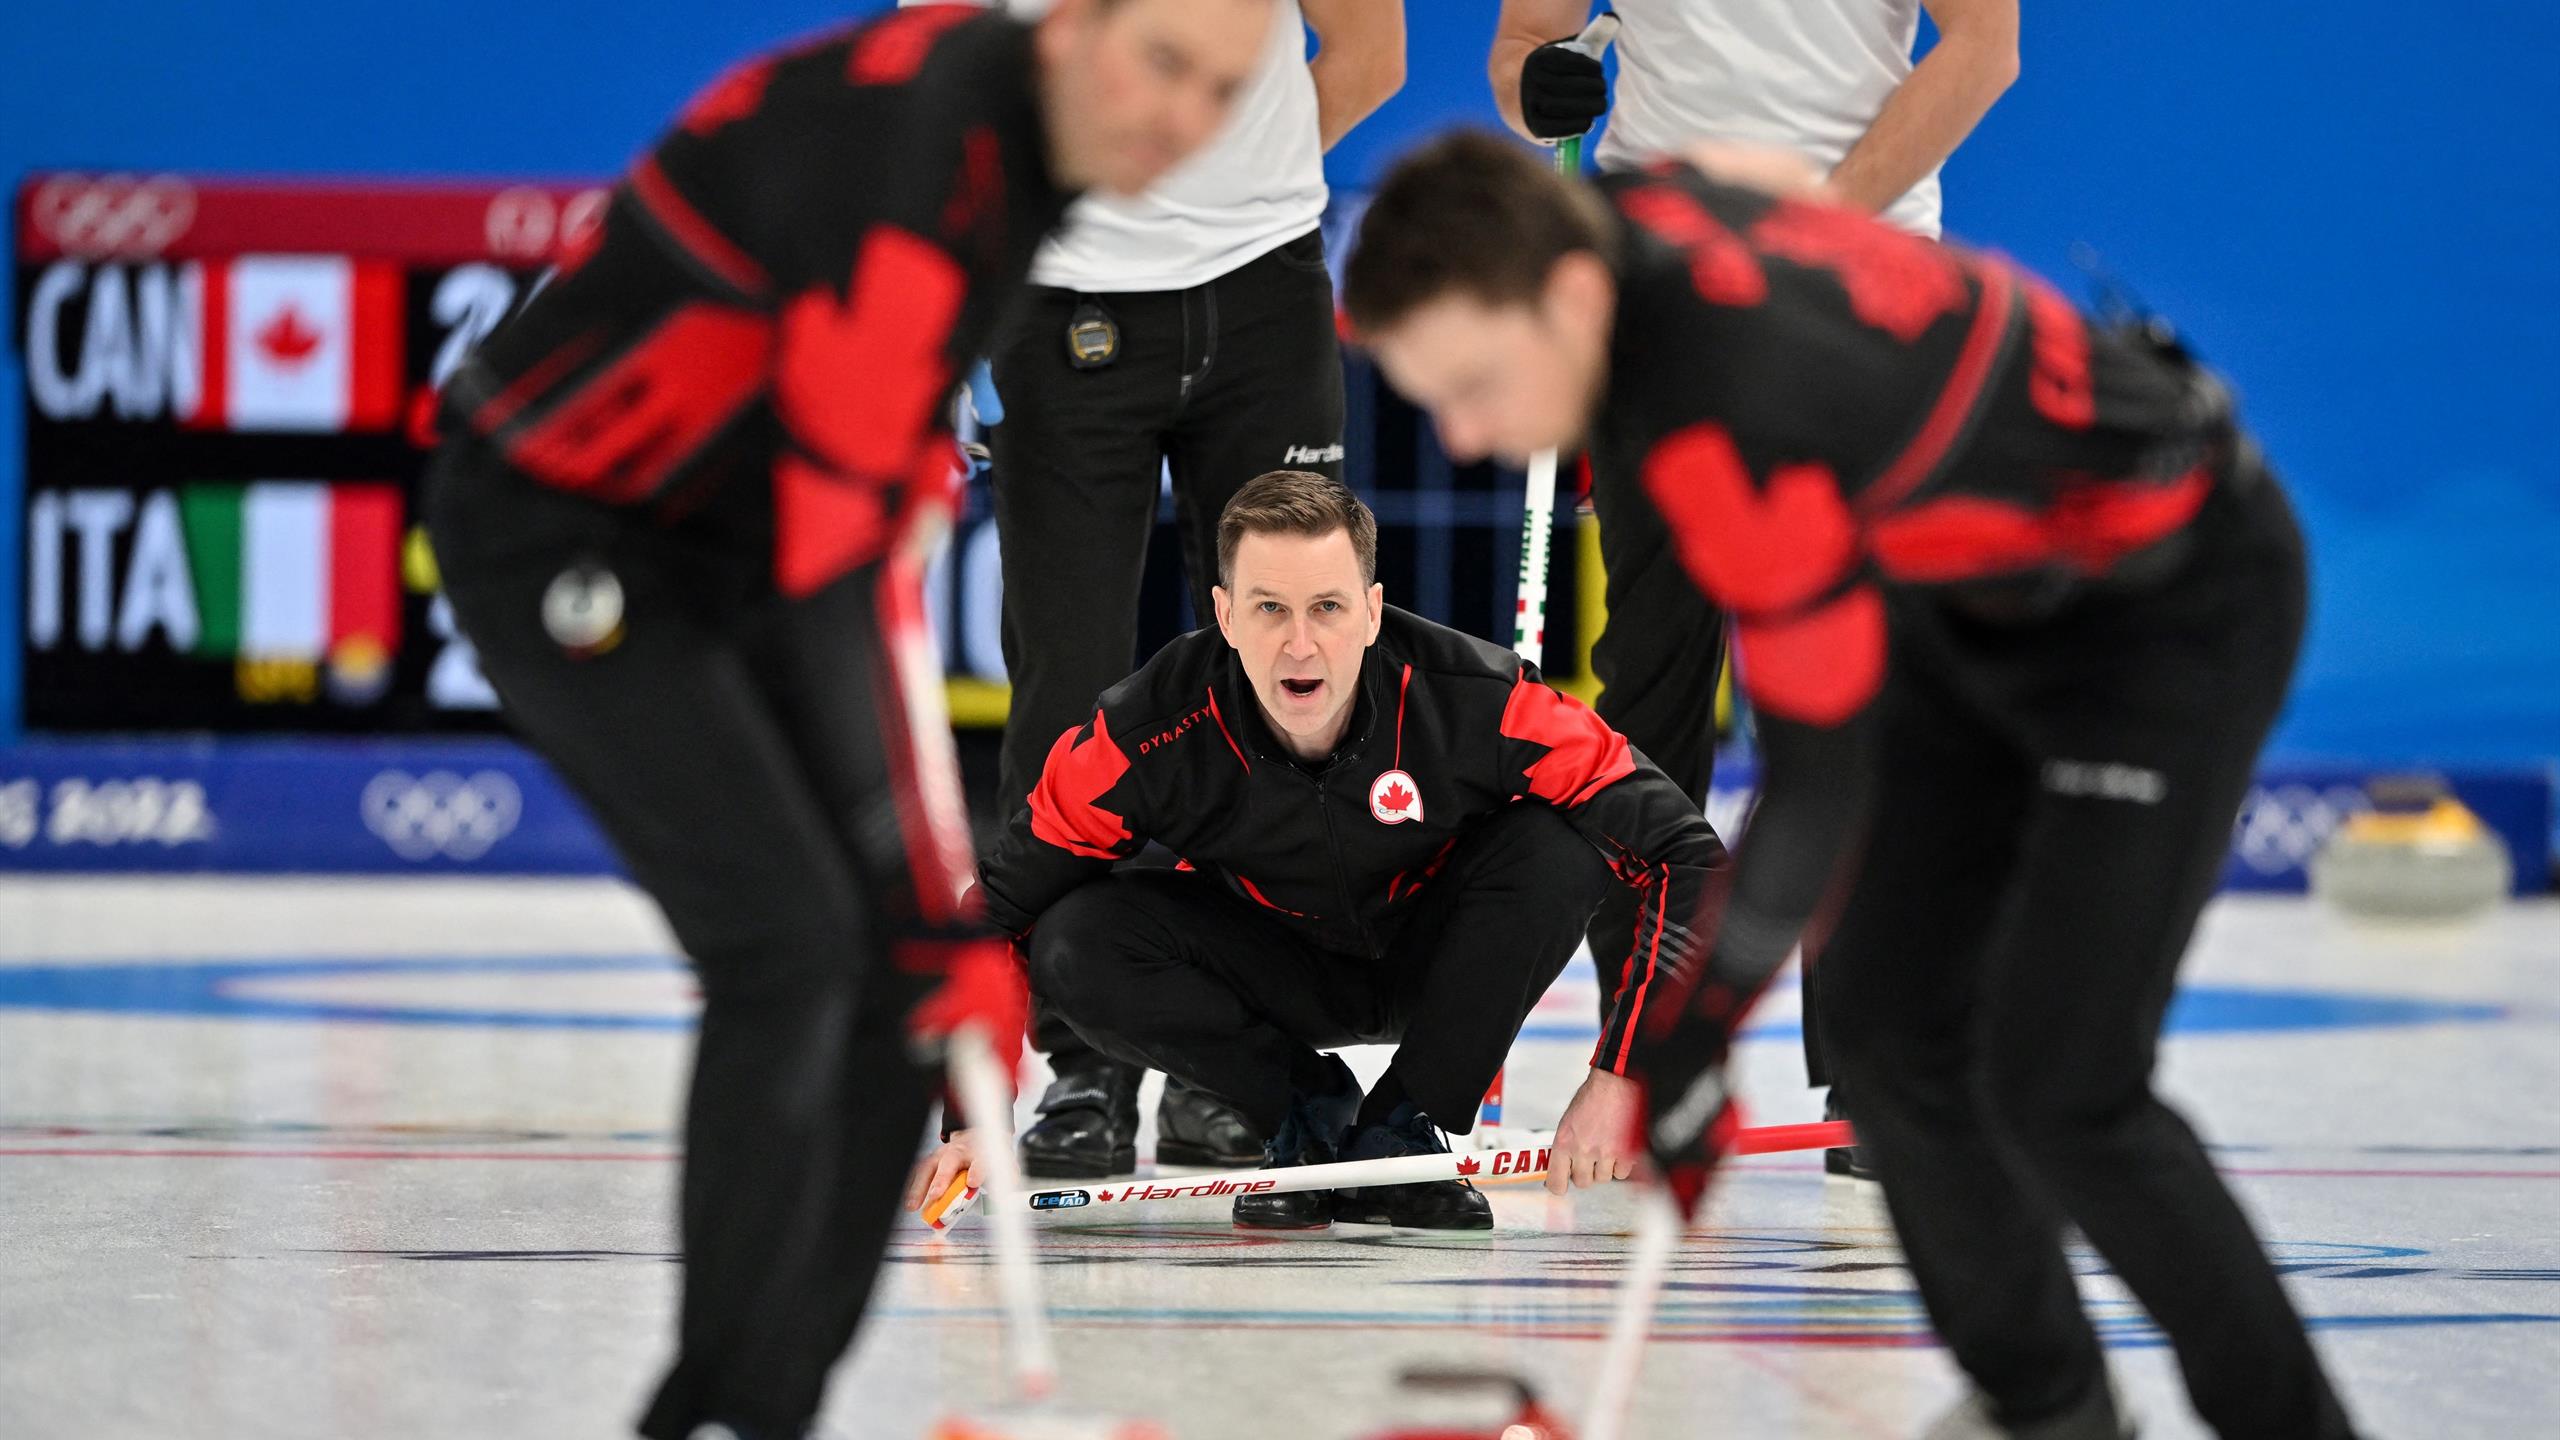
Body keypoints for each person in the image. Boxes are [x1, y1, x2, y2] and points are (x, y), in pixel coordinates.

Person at [1341, 132, 2361, 1438]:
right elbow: (1774, 179)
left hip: (2171, 604)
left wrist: (1688, 1048)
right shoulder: (1634, 210)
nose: (1468, 433)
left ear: (1574, 301)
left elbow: (1817, 791)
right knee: (1882, 1029)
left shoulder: (1732, 419)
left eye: (1476, 385)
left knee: (2068, 1083)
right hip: (1970, 593)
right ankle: (2050, 1406)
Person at [422, 5, 1273, 1437]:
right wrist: (929, 885)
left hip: (725, 535)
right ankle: (707, 1408)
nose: (1184, 119)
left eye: (1227, 93)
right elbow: (848, 572)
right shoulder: (918, 166)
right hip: (561, 524)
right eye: (1164, 63)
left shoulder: (1032, 148)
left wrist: (931, 913)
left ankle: (764, 1406)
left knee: (897, 984)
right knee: (794, 949)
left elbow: (867, 528)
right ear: (1070, 28)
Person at [904, 470, 1728, 1229]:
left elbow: (1685, 855)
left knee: (1559, 841)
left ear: (1372, 611)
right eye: (1269, 609)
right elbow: (998, 913)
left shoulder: (1480, 697)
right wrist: (973, 1116)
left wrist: (1625, 1071)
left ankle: (1411, 1124)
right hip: (1271, 968)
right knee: (1073, 940)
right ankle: (1309, 1113)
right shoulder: (1144, 734)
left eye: (1327, 608)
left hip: (1441, 962)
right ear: (1224, 615)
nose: (1300, 645)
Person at [1491, 0, 2020, 1175]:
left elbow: (1984, 53)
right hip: (1656, 292)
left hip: (1862, 293)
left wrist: (1798, 230)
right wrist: (1537, 88)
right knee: (1654, 691)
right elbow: (1526, 41)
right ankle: (1641, 1056)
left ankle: (1873, 1064)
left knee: (1856, 701)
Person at [914, 0, 1406, 1182]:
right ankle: (1083, 1058)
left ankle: (1230, 1055)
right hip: (1059, 303)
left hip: (1265, 293)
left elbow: (1373, 58)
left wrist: (1233, 196)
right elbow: (940, 107)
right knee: (1069, 693)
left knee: (1291, 680)